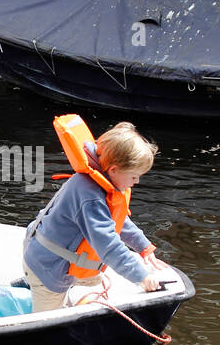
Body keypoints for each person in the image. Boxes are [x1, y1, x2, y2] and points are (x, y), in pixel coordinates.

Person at [23, 117, 169, 312]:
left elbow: (118, 221)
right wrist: (141, 276)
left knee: (94, 281)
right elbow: (107, 244)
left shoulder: (101, 182)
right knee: (45, 324)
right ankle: (30, 289)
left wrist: (143, 246)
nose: (137, 182)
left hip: (54, 258)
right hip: (47, 268)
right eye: (134, 176)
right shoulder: (89, 197)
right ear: (114, 169)